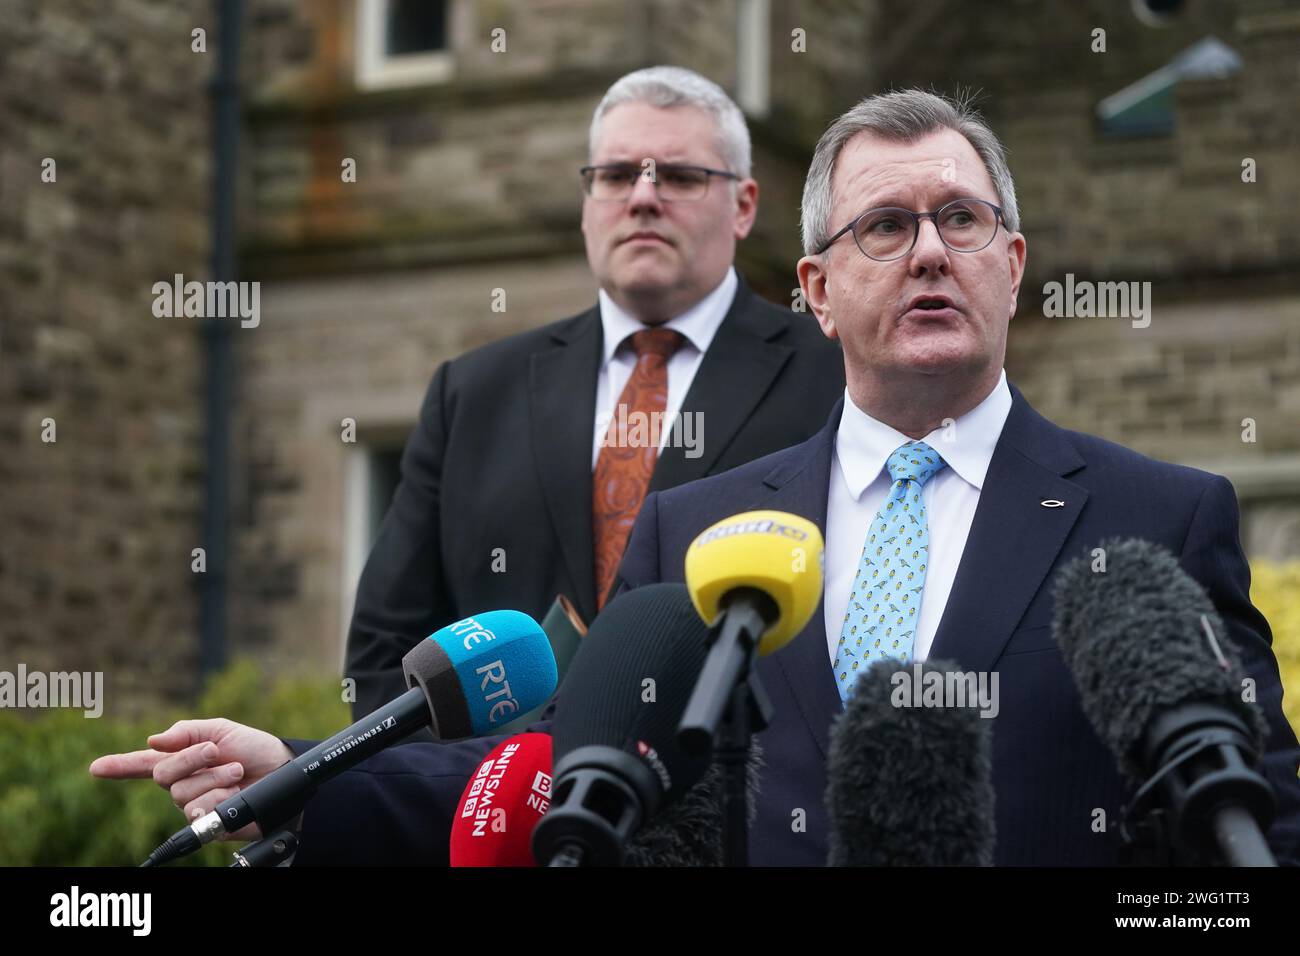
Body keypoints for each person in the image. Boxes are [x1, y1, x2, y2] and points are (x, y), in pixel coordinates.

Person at [90, 89, 1300, 866]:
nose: (930, 247)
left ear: (1015, 264)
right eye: (884, 226)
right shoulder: (704, 524)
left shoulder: (1156, 515)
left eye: (963, 220)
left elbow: (1257, 808)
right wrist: (304, 776)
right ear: (817, 292)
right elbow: (569, 764)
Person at [343, 65, 843, 721]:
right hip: (496, 806)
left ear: (744, 206)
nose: (642, 198)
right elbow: (386, 660)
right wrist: (469, 792)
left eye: (681, 176)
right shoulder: (472, 395)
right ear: (588, 204)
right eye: (614, 176)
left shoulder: (836, 377)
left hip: (740, 810)